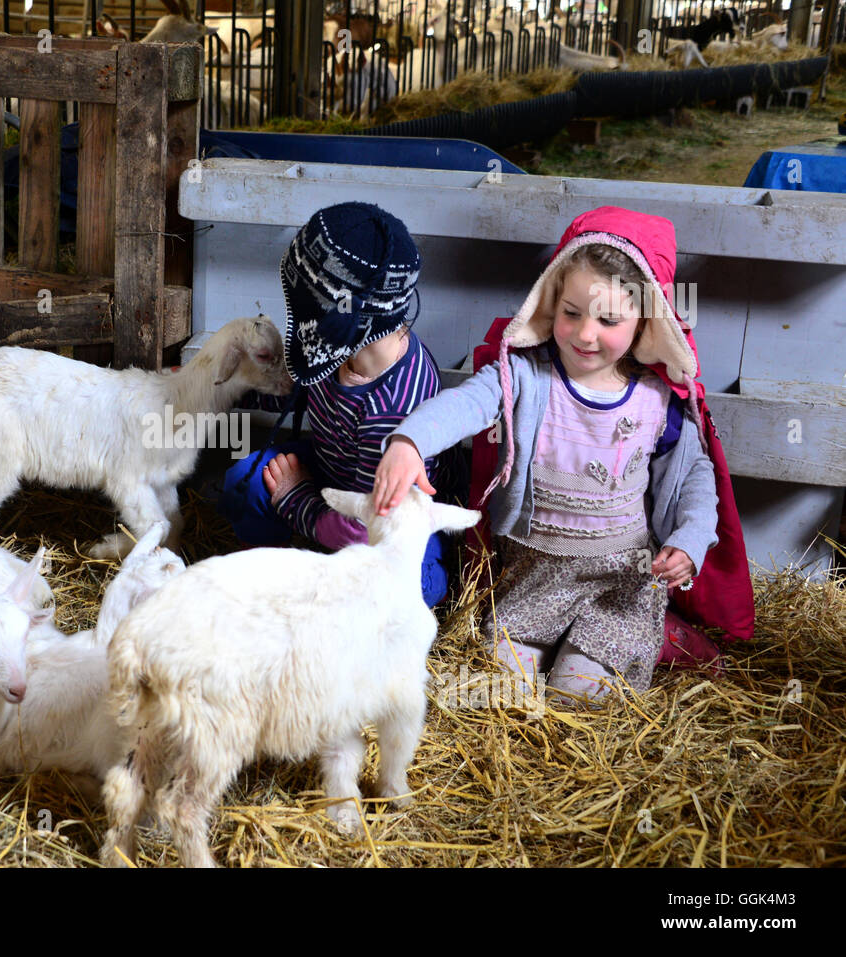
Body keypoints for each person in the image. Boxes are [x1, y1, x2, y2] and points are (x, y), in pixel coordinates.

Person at [373, 206, 723, 702]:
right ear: (550, 302)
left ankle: (661, 635)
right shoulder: (526, 375)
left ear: (645, 319)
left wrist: (690, 539)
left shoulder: (658, 397)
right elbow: (469, 402)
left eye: (608, 319)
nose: (585, 333)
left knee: (573, 697)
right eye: (572, 312)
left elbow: (693, 476)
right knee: (504, 689)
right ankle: (552, 644)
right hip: (534, 576)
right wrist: (410, 442)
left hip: (619, 581)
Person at [218, 201, 448, 606]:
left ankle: (349, 575)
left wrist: (295, 498)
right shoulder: (335, 346)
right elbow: (298, 387)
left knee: (407, 586)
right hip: (331, 470)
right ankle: (262, 576)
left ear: (341, 311)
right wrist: (218, 391)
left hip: (381, 516)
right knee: (245, 480)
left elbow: (365, 528)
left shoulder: (397, 409)